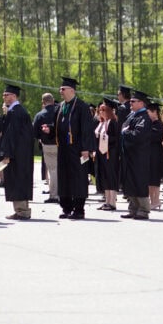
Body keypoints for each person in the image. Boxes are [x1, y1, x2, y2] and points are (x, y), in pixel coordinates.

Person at [54, 77, 96, 219]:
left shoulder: (81, 107)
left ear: (71, 90)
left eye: (63, 89)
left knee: (78, 177)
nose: (60, 91)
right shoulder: (60, 106)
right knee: (64, 177)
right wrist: (49, 129)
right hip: (64, 149)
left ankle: (79, 209)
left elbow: (87, 129)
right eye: (60, 89)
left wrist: (86, 149)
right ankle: (66, 207)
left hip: (78, 150)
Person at [119, 91, 161, 219]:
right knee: (130, 182)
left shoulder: (144, 117)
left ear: (141, 103)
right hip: (129, 154)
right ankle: (133, 208)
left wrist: (126, 132)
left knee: (139, 182)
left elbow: (139, 135)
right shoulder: (132, 115)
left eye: (133, 101)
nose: (130, 103)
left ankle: (143, 209)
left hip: (139, 156)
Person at [0, 84, 34, 220]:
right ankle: (21, 210)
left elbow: (11, 135)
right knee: (18, 180)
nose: (4, 97)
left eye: (6, 95)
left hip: (16, 154)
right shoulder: (16, 111)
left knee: (18, 180)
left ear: (13, 96)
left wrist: (7, 153)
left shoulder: (16, 112)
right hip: (20, 154)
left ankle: (22, 211)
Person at [94, 99, 120, 211]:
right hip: (101, 154)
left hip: (111, 154)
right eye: (100, 110)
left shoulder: (113, 122)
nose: (101, 112)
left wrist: (105, 138)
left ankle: (112, 202)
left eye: (103, 110)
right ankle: (106, 201)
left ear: (109, 111)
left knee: (111, 177)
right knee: (104, 177)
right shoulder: (101, 123)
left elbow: (116, 138)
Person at [33, 93, 59, 203]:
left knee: (52, 170)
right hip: (60, 144)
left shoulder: (39, 115)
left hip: (47, 145)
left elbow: (35, 133)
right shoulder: (59, 112)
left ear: (43, 102)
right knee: (60, 169)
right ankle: (62, 193)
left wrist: (43, 136)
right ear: (53, 101)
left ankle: (54, 194)